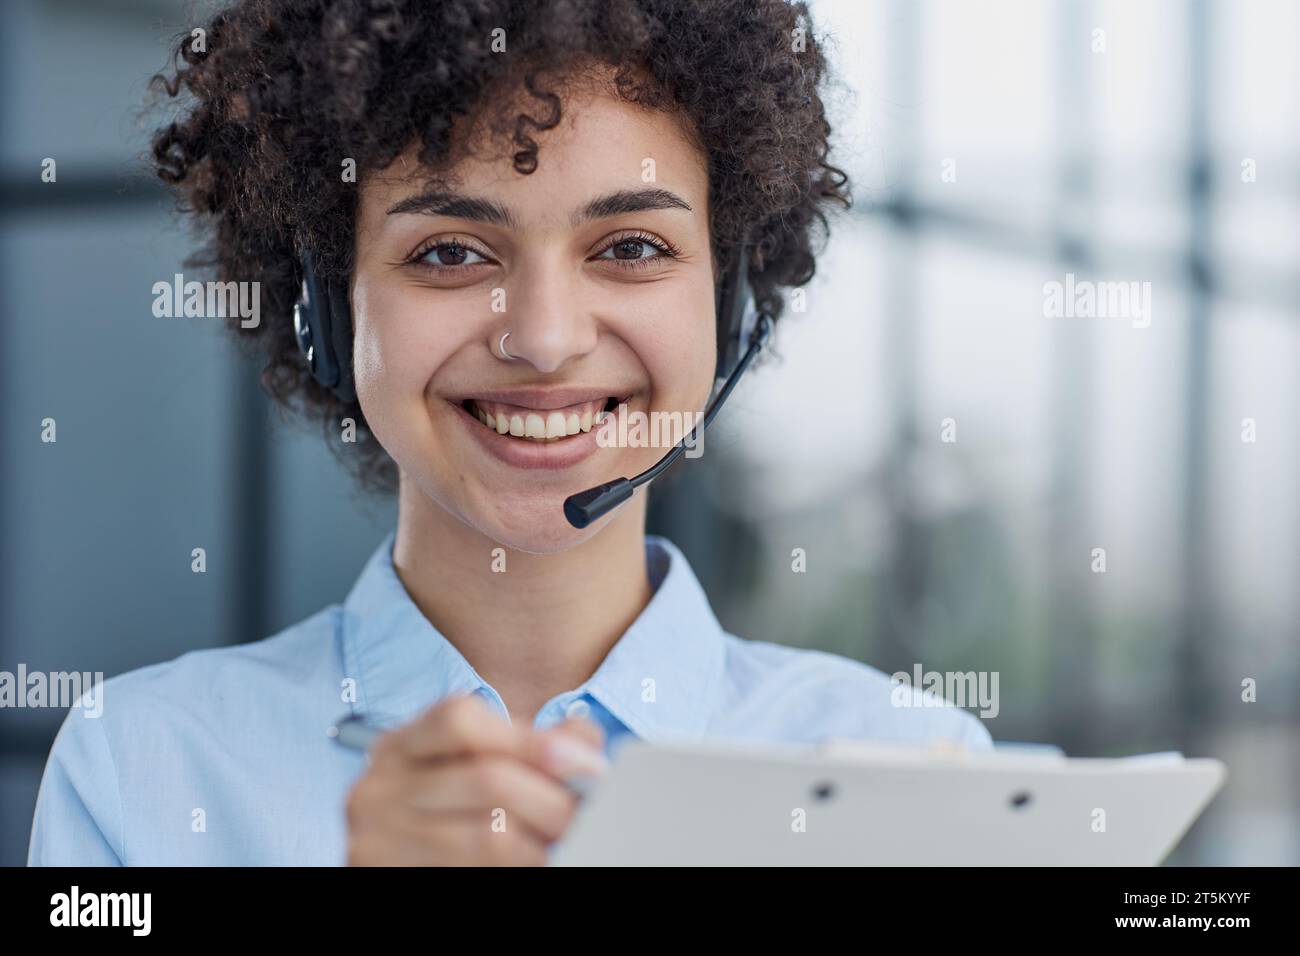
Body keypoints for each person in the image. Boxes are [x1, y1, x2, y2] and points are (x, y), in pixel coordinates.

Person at [28, 0, 992, 867]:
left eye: (630, 247)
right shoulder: (143, 770)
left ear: (728, 302)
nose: (542, 339)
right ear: (329, 307)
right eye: (449, 252)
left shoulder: (921, 774)